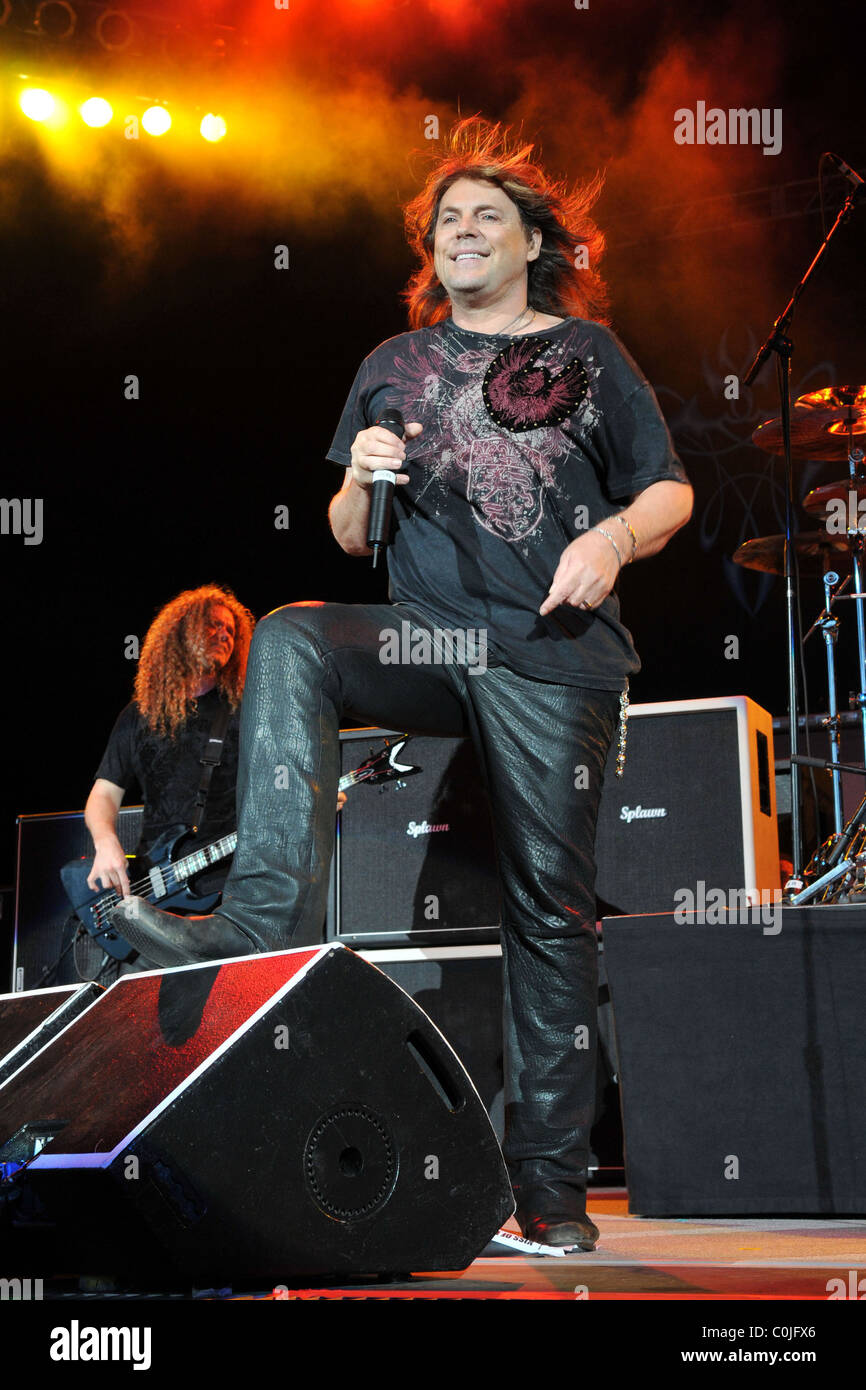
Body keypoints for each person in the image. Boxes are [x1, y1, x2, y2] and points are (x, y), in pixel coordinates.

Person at [109, 118, 693, 1249]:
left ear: (531, 241)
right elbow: (341, 534)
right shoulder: (389, 365)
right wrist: (360, 478)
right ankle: (255, 922)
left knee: (546, 913)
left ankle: (554, 1204)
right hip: (432, 640)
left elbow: (666, 492)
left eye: (486, 216)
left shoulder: (589, 357)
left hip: (553, 657)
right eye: (445, 221)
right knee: (290, 635)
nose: (461, 231)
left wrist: (613, 541)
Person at [85, 584, 255, 908]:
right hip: (153, 885)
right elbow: (104, 794)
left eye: (231, 630)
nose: (224, 635)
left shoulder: (243, 710)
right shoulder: (139, 715)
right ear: (181, 633)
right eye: (213, 625)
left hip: (227, 885)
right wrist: (105, 842)